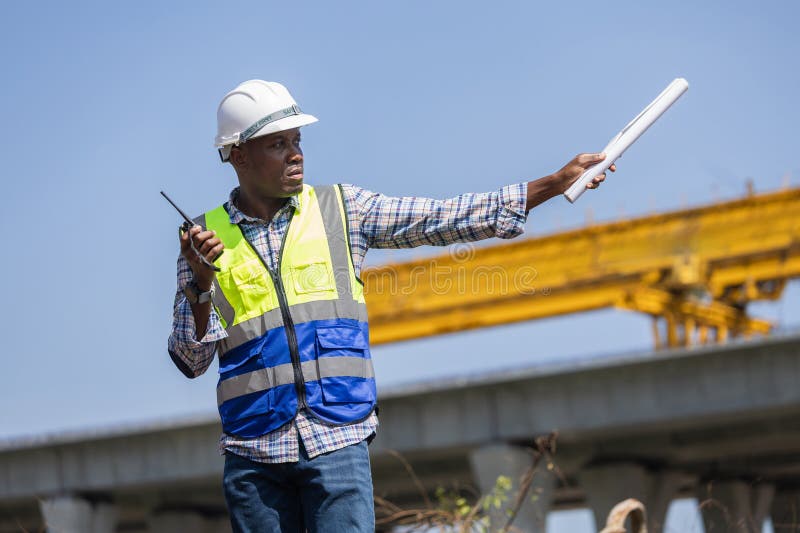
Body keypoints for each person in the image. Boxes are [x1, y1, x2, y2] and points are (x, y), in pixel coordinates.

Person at [167, 79, 613, 533]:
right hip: (254, 457)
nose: (296, 153)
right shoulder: (204, 241)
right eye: (278, 144)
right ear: (238, 155)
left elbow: (443, 217)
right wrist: (200, 286)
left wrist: (551, 186)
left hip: (336, 437)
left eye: (297, 140)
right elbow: (190, 359)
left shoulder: (342, 210)